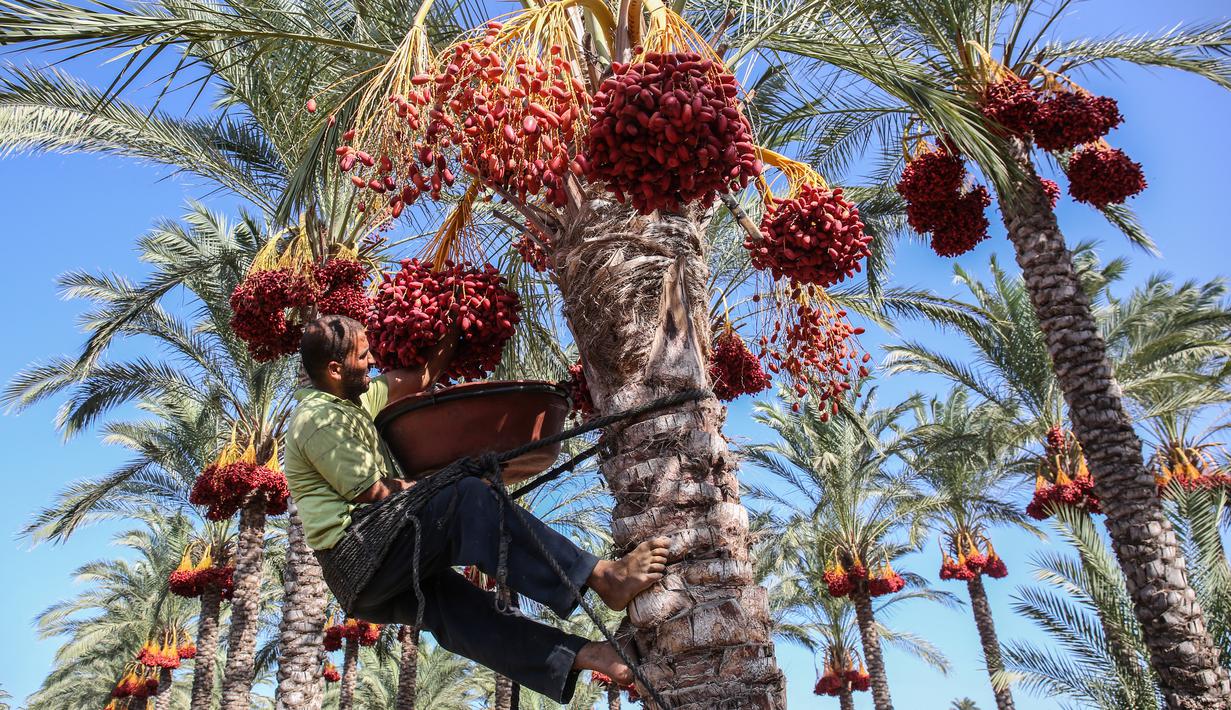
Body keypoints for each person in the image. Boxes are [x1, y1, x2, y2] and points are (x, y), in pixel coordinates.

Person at [283, 314, 668, 703]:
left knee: (464, 615)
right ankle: (604, 578)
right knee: (465, 497)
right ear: (335, 369)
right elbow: (377, 492)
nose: (372, 363)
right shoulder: (318, 419)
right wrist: (452, 477)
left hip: (372, 579)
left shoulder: (355, 398)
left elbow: (419, 378)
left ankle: (592, 655)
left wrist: (453, 320)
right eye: (363, 357)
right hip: (362, 555)